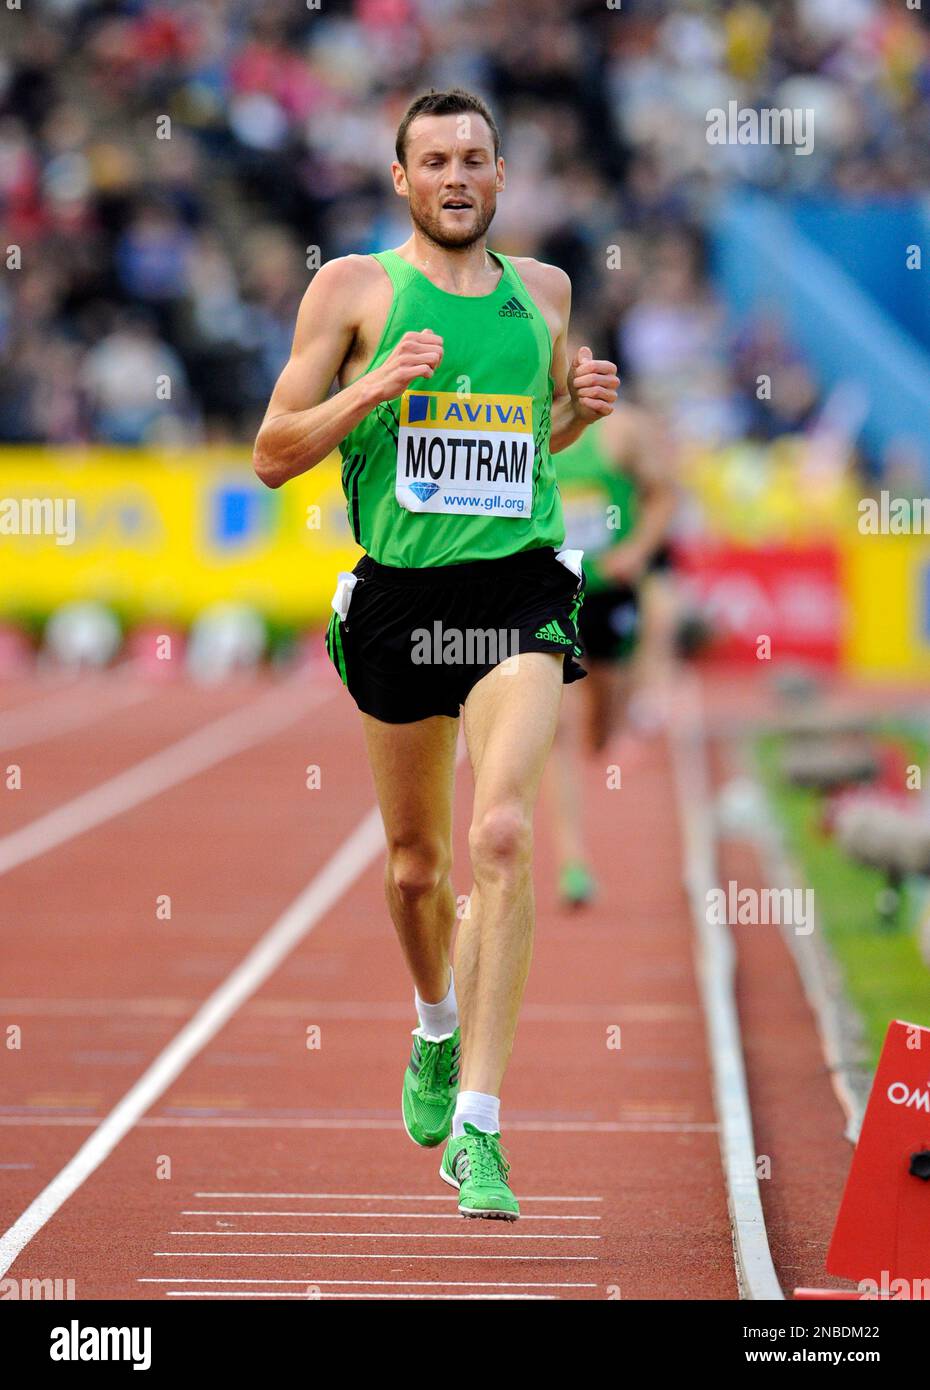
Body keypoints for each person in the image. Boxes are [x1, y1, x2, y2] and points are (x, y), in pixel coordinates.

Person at [252, 88, 618, 1220]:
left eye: (475, 159)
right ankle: (433, 1029)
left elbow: (519, 450)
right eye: (435, 161)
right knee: (418, 867)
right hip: (400, 598)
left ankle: (481, 1127)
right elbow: (272, 452)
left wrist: (579, 416)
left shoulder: (545, 294)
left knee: (502, 830)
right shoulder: (354, 289)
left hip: (517, 590)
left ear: (502, 177)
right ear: (402, 181)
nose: (457, 176)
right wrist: (375, 383)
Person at [544, 395, 677, 908]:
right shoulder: (523, 423)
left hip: (607, 592)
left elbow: (664, 494)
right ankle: (573, 862)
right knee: (560, 728)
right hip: (551, 594)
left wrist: (637, 551)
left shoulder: (621, 433)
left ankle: (610, 730)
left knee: (598, 730)